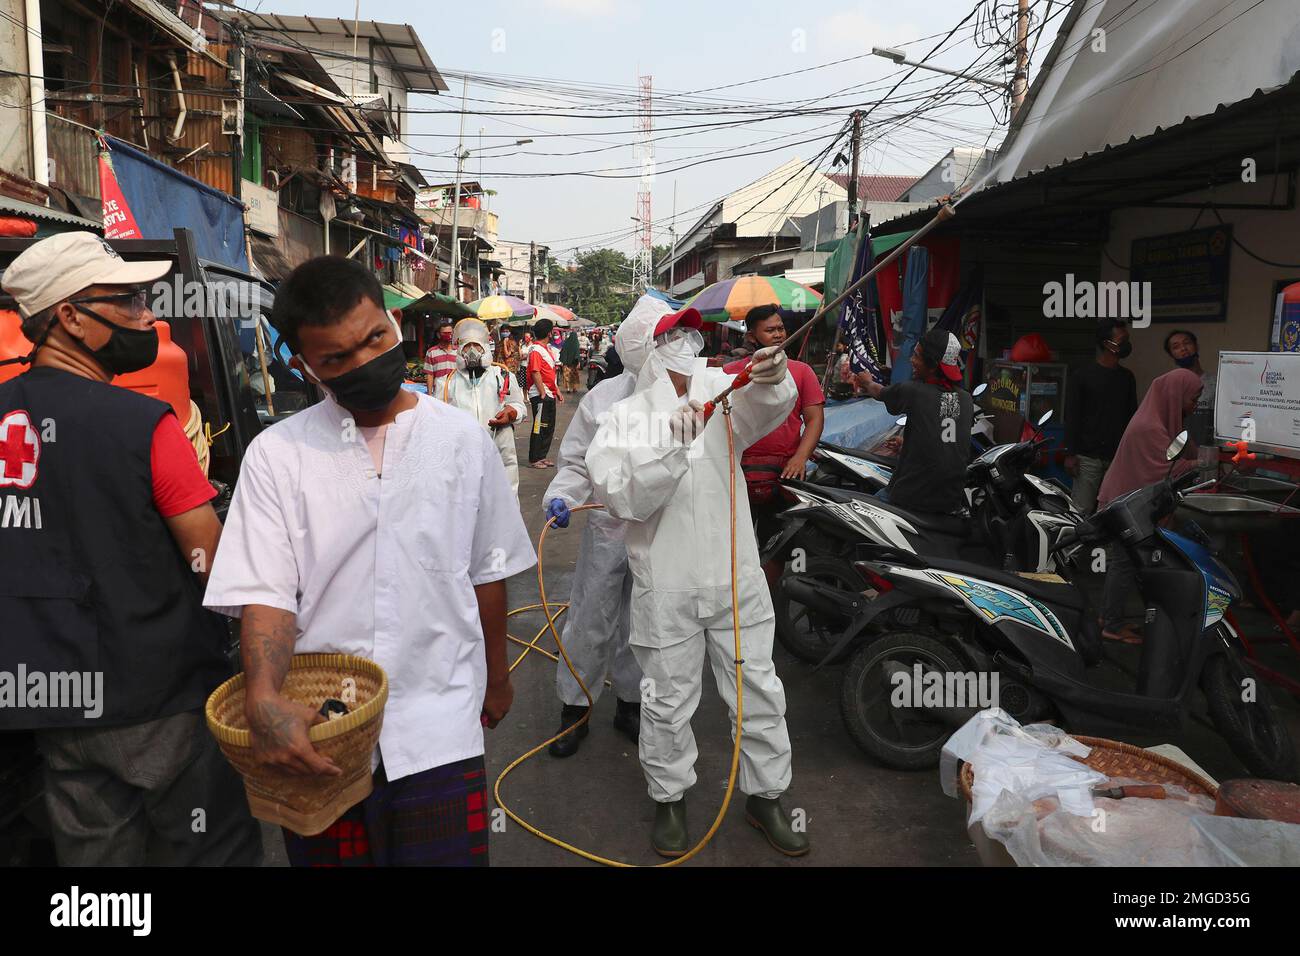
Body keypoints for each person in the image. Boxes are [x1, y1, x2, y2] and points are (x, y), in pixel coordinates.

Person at [203, 256, 536, 867]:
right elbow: (266, 593)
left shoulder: (461, 440)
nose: (362, 363)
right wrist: (264, 698)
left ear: (392, 323)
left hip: (440, 722)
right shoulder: (278, 455)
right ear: (303, 366)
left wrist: (498, 674)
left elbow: (487, 571)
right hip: (323, 730)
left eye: (375, 339)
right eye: (336, 359)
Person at [0, 231, 261, 865]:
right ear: (68, 318)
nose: (151, 317)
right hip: (160, 702)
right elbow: (213, 567)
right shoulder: (144, 425)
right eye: (131, 302)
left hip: (49, 705)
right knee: (210, 851)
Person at [586, 293, 808, 859]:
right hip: (668, 586)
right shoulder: (621, 420)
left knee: (758, 690)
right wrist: (672, 443)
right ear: (643, 350)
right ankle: (670, 801)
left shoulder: (719, 390)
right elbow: (624, 499)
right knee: (666, 700)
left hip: (735, 578)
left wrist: (773, 375)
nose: (683, 347)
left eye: (689, 336)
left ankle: (766, 796)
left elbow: (769, 408)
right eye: (668, 338)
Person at [542, 362, 642, 758]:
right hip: (608, 523)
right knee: (590, 616)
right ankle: (575, 707)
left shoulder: (686, 393)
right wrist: (563, 496)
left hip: (662, 528)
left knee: (645, 620)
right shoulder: (605, 397)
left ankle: (632, 706)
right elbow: (579, 459)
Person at [1094, 368, 1202, 644]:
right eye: (1193, 398)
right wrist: (1206, 464)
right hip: (1125, 507)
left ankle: (1109, 618)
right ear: (1176, 396)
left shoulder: (1159, 422)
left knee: (1126, 562)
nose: (1195, 404)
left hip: (1128, 503)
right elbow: (1165, 468)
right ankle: (1112, 625)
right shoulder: (1150, 428)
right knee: (1124, 563)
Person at [724, 305, 825, 583]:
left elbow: (815, 419)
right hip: (738, 474)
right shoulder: (733, 373)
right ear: (753, 336)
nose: (779, 334)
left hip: (783, 474)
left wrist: (800, 458)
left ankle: (771, 606)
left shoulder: (802, 371)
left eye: (781, 328)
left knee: (776, 547)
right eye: (770, 330)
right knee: (734, 546)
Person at [846, 327, 973, 514]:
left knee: (859, 514)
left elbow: (878, 392)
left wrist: (866, 381)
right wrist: (908, 445)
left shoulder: (914, 392)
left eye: (917, 356)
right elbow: (947, 441)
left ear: (933, 364)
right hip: (949, 501)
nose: (911, 361)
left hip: (910, 497)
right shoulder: (964, 399)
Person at [436, 317, 528, 498]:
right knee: (465, 503)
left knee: (503, 498)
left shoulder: (502, 375)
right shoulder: (446, 383)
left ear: (485, 348)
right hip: (462, 453)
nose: (472, 351)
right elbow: (437, 418)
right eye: (466, 346)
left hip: (499, 445)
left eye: (476, 346)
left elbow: (519, 406)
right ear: (460, 350)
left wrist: (512, 412)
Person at [1064, 319, 1138, 514]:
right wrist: (1070, 453)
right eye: (1122, 340)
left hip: (1116, 457)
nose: (1127, 344)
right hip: (1088, 457)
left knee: (1113, 510)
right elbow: (1072, 416)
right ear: (1107, 344)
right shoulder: (1082, 376)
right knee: (1082, 510)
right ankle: (1073, 545)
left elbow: (1132, 416)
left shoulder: (1127, 377)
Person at [1164, 329, 1217, 445]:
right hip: (1177, 449)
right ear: (1171, 354)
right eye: (1176, 346)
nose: (1183, 348)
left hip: (1207, 448)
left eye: (1187, 343)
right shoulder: (1168, 384)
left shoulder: (1215, 382)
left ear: (1196, 346)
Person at [527, 317, 563, 468]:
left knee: (548, 427)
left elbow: (549, 373)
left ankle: (542, 456)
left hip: (549, 393)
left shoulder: (546, 350)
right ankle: (535, 458)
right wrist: (542, 392)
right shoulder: (536, 350)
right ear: (549, 333)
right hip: (541, 394)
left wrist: (557, 391)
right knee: (539, 426)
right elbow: (535, 372)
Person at [423, 318, 457, 394]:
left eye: (449, 333)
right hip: (438, 392)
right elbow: (430, 375)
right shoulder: (431, 352)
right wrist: (429, 394)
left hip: (455, 392)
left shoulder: (459, 352)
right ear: (438, 335)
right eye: (445, 333)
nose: (448, 335)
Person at [559, 328, 581, 394]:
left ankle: (568, 389)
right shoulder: (576, 343)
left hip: (566, 363)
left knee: (567, 376)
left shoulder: (566, 342)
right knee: (574, 376)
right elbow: (577, 353)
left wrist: (563, 361)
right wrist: (578, 362)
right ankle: (574, 388)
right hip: (574, 364)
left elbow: (563, 352)